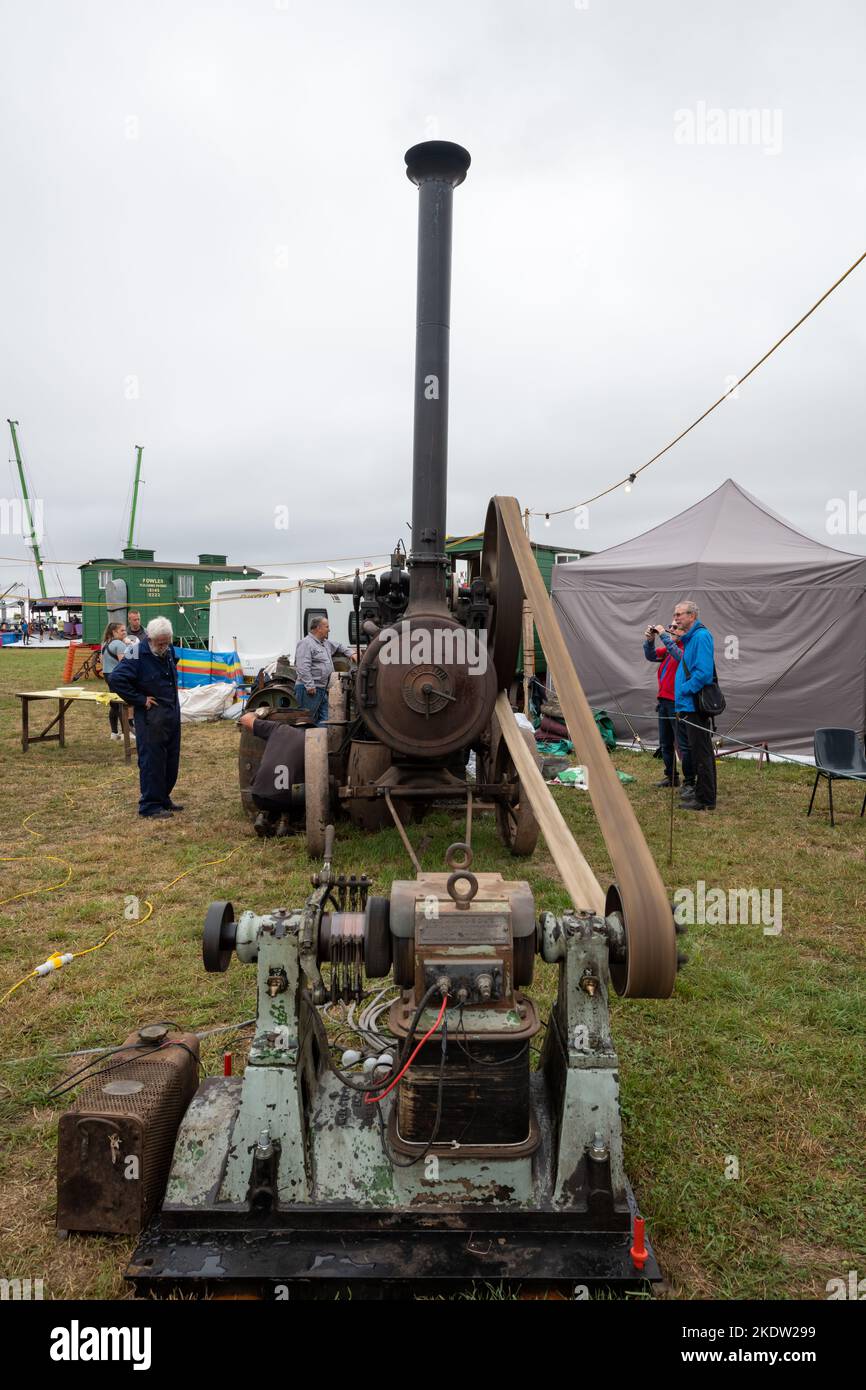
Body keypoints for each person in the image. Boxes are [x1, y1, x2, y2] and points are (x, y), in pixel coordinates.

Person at [106, 616, 182, 819]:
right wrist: (140, 699)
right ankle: (149, 805)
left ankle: (163, 798)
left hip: (171, 713)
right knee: (152, 761)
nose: (164, 646)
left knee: (170, 760)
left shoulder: (169, 650)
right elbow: (117, 679)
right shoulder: (135, 652)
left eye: (167, 642)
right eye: (160, 643)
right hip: (151, 716)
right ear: (150, 638)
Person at [672, 600, 718, 812]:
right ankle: (701, 794)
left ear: (692, 616)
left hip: (694, 706)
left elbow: (704, 673)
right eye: (676, 614)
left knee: (702, 754)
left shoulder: (701, 637)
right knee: (698, 753)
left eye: (680, 614)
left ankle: (706, 800)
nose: (676, 618)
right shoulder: (689, 639)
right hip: (687, 705)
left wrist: (684, 689)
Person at [238, 709, 313, 837]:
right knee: (301, 791)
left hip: (258, 796)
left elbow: (245, 719)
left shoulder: (277, 728)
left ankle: (263, 815)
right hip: (288, 800)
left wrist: (259, 713)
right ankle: (286, 821)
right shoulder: (312, 741)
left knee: (272, 798)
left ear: (294, 725)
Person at [643, 618, 694, 790]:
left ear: (684, 631)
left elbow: (679, 657)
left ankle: (689, 782)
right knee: (665, 743)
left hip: (677, 704)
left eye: (675, 627)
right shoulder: (669, 648)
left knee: (683, 745)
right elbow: (650, 656)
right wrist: (650, 641)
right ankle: (671, 777)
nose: (670, 629)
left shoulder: (685, 649)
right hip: (664, 702)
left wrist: (664, 636)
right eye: (669, 626)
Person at [293, 616, 354, 726]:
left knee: (325, 719)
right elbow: (302, 667)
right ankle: (303, 742)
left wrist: (352, 653)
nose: (329, 630)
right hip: (309, 690)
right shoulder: (306, 643)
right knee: (306, 722)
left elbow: (340, 646)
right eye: (327, 627)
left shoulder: (326, 643)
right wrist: (309, 685)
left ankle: (320, 742)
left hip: (322, 689)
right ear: (318, 628)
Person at [100, 621, 135, 742]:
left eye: (125, 630)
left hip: (107, 674)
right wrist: (132, 646)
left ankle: (114, 733)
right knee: (122, 704)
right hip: (118, 676)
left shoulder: (105, 643)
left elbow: (101, 660)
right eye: (122, 630)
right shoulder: (120, 644)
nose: (125, 632)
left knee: (114, 704)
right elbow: (125, 663)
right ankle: (127, 733)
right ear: (114, 632)